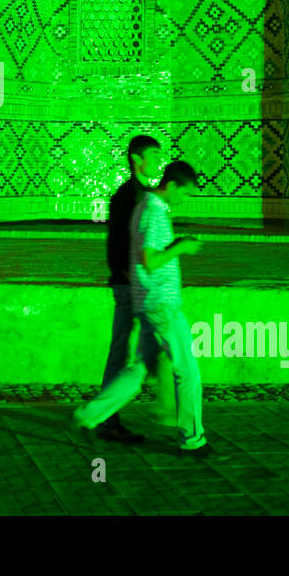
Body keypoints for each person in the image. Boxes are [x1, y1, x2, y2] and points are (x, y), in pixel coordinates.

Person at [73, 160, 228, 460]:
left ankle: (89, 414)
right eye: (185, 193)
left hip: (147, 302)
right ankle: (193, 439)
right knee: (188, 371)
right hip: (162, 304)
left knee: (140, 369)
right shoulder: (155, 212)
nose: (184, 200)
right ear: (172, 186)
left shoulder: (144, 206)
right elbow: (151, 260)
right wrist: (181, 246)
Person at [93, 135, 164, 443]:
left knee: (125, 350)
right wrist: (131, 281)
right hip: (128, 287)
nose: (158, 163)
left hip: (130, 284)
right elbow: (121, 246)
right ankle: (103, 418)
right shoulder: (129, 197)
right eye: (154, 156)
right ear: (137, 159)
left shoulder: (137, 194)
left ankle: (106, 417)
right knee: (122, 351)